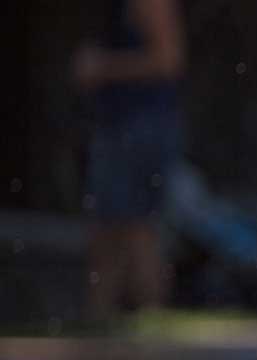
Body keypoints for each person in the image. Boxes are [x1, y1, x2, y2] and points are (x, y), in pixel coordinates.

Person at [74, 0, 184, 323]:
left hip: (138, 126)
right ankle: (98, 317)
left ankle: (153, 315)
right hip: (124, 125)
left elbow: (169, 59)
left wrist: (103, 66)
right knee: (109, 229)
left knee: (136, 227)